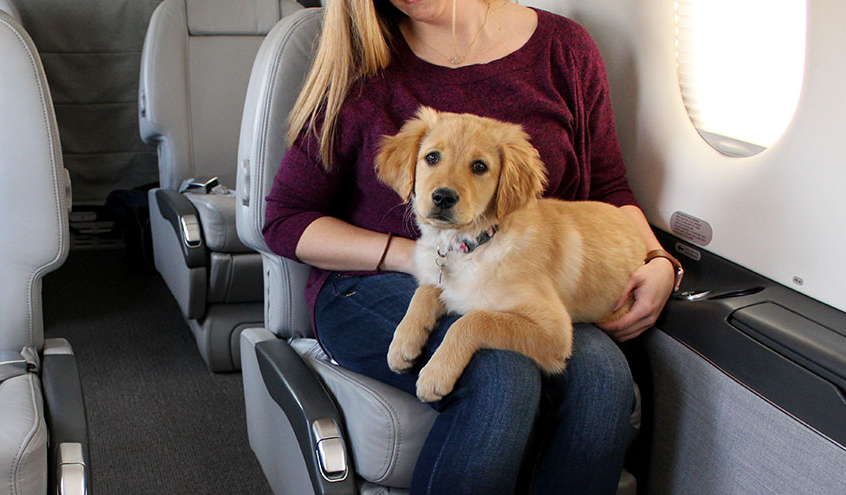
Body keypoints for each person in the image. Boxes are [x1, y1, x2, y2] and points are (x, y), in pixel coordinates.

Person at [262, 0, 678, 493]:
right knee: (499, 374)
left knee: (604, 380)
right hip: (371, 284)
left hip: (514, 271)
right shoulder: (359, 66)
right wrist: (416, 259)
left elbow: (608, 189)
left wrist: (660, 261)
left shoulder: (564, 49)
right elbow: (285, 220)